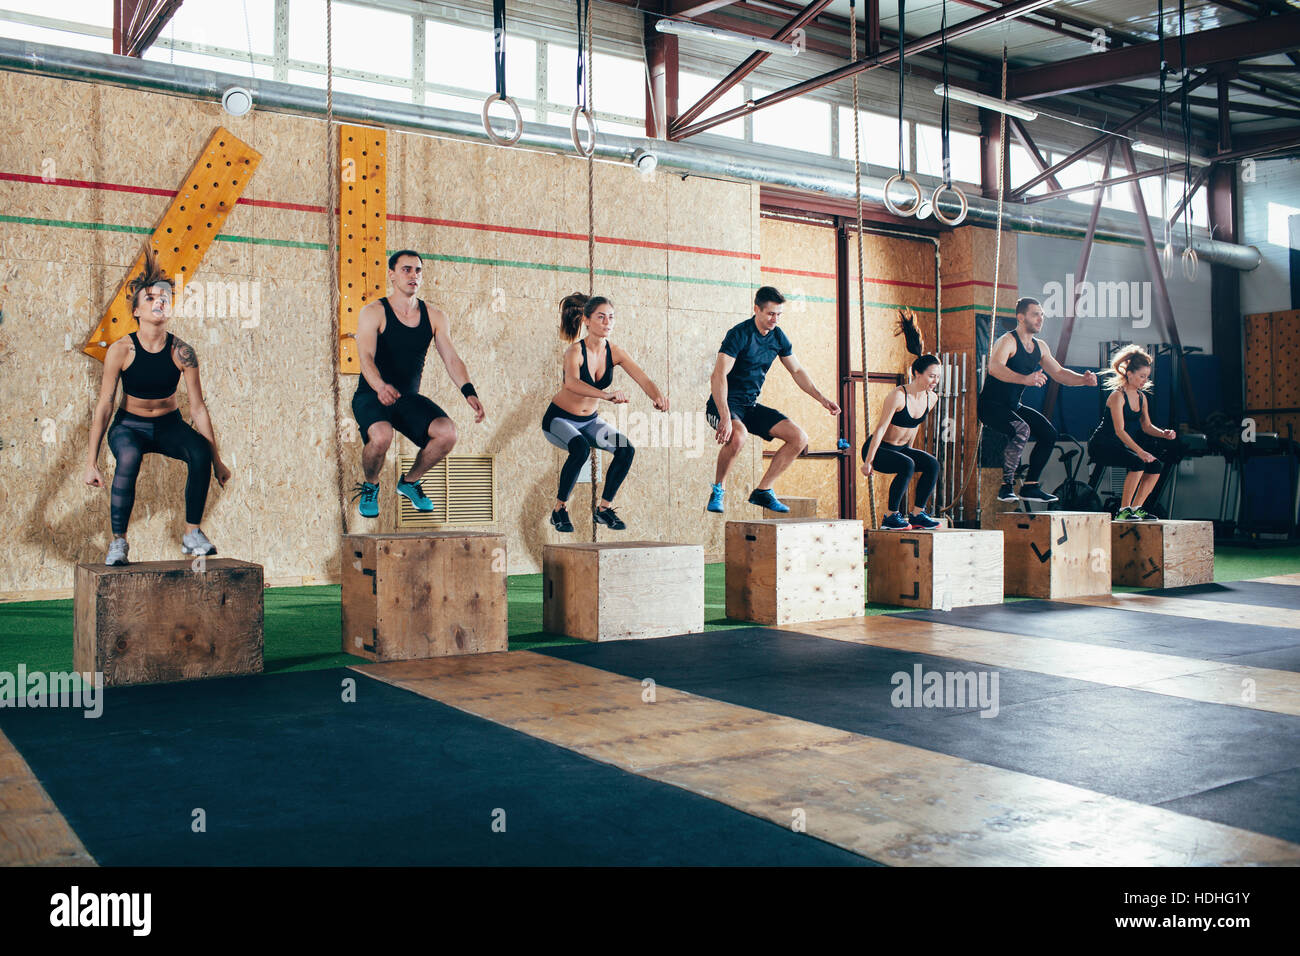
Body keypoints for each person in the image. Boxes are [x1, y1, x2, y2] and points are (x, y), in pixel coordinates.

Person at [84, 248, 231, 564]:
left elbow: (199, 409)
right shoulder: (121, 350)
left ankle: (192, 534)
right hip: (128, 427)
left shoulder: (183, 352)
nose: (159, 302)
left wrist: (216, 460)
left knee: (200, 451)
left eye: (164, 298)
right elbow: (105, 405)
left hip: (169, 425)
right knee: (129, 457)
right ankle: (119, 543)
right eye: (150, 298)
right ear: (136, 310)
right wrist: (91, 461)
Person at [351, 250, 485, 518]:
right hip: (371, 394)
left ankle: (410, 482)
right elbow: (364, 356)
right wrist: (379, 386)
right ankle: (371, 484)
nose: (413, 275)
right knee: (381, 436)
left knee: (447, 433)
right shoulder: (374, 312)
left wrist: (468, 391)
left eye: (418, 270)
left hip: (407, 399)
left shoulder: (435, 316)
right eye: (406, 269)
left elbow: (451, 358)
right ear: (392, 275)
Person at [705, 286, 839, 513]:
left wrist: (822, 399)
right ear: (756, 309)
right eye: (770, 314)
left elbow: (797, 371)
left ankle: (763, 491)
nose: (775, 319)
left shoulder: (778, 337)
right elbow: (718, 375)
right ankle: (718, 489)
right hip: (723, 404)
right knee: (738, 436)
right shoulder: (739, 334)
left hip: (750, 406)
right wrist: (725, 416)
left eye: (779, 314)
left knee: (799, 437)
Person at [542, 293, 668, 532]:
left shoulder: (615, 352)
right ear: (587, 321)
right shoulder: (574, 352)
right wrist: (606, 396)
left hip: (589, 422)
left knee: (625, 449)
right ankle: (559, 510)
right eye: (601, 317)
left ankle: (603, 509)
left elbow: (643, 378)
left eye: (611, 317)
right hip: (559, 420)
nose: (607, 322)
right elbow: (572, 383)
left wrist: (657, 396)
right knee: (579, 449)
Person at [978, 296, 1098, 503]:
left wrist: (1083, 380)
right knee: (1021, 429)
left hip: (1013, 406)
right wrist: (1025, 379)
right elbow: (995, 368)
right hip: (990, 407)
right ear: (1021, 317)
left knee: (1048, 434)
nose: (1040, 319)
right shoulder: (1007, 341)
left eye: (1042, 315)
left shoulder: (1040, 346)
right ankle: (1007, 486)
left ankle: (1031, 487)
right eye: (1035, 314)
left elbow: (1059, 373)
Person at [860, 312, 943, 530]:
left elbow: (914, 428)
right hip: (879, 450)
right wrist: (868, 461)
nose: (935, 381)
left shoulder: (931, 398)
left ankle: (917, 514)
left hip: (901, 450)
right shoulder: (898, 396)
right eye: (931, 376)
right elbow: (879, 430)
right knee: (907, 463)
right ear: (917, 373)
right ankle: (890, 517)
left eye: (937, 377)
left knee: (931, 463)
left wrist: (911, 451)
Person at [1088, 345, 1176, 520]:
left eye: (1147, 377)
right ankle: (1123, 511)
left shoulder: (1142, 398)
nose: (1145, 380)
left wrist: (1163, 433)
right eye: (1141, 376)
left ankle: (1136, 508)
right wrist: (1140, 451)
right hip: (1101, 446)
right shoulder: (1117, 396)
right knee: (1137, 462)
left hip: (1118, 445)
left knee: (1155, 465)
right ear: (1129, 374)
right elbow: (1119, 431)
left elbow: (1147, 426)